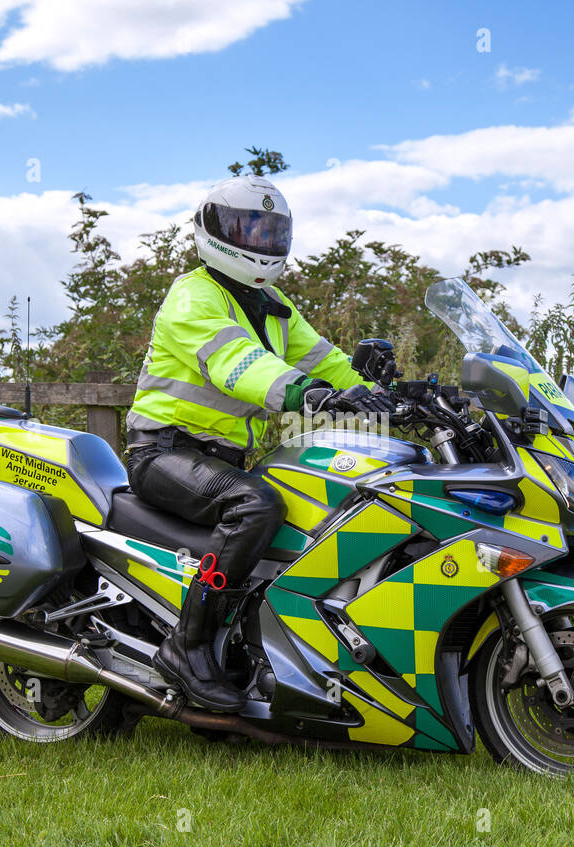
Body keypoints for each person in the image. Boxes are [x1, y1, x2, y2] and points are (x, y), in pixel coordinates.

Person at [124, 175, 393, 712]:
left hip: (218, 459)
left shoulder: (272, 304)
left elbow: (323, 358)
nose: (261, 242)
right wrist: (302, 392)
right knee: (257, 505)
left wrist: (380, 393)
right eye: (249, 227)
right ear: (216, 231)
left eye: (271, 231)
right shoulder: (193, 296)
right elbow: (237, 364)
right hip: (163, 453)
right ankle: (188, 646)